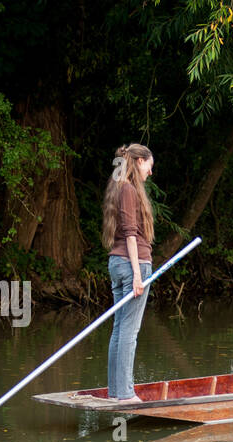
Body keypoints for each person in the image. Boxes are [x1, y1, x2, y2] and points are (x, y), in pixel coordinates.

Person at [100, 144, 155, 403]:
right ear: (140, 161)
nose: (150, 172)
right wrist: (137, 274)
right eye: (149, 166)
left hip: (117, 263)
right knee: (128, 332)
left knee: (120, 328)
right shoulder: (129, 190)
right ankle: (124, 394)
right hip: (133, 264)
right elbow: (131, 234)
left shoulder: (119, 187)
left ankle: (115, 392)